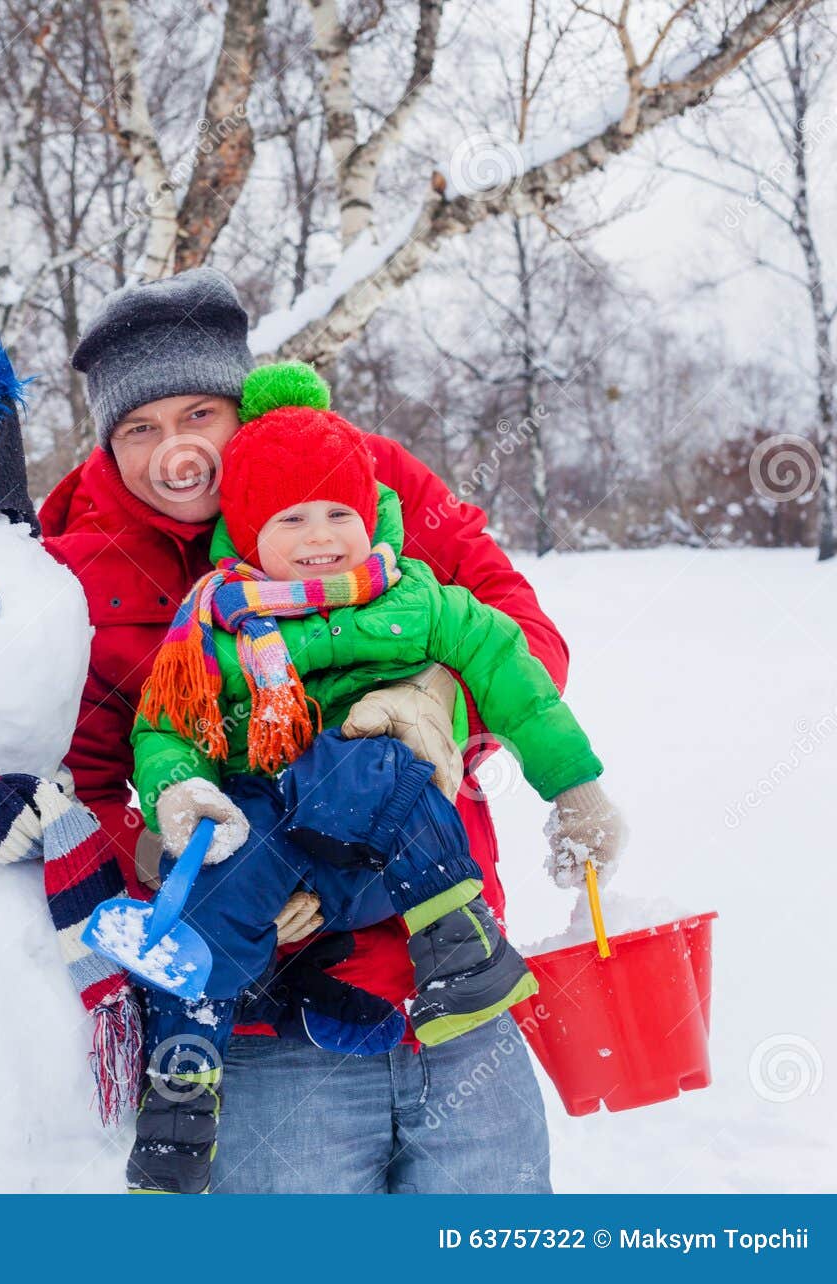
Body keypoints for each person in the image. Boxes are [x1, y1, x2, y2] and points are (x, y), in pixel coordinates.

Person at [38, 267, 579, 1193]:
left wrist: (438, 703)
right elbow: (74, 790)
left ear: (243, 407)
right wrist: (194, 861)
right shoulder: (76, 572)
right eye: (139, 428)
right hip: (270, 1026)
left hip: (448, 970)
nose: (177, 453)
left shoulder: (358, 481)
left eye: (198, 414)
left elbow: (520, 632)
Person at [124, 387, 624, 1192]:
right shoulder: (216, 628)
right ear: (247, 533)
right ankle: (188, 1064)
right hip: (276, 859)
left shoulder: (417, 597)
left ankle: (459, 948)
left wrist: (575, 785)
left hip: (399, 845)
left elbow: (518, 676)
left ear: (373, 512)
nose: (319, 538)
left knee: (374, 761)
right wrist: (176, 798)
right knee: (213, 902)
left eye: (338, 515)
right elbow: (165, 725)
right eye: (289, 521)